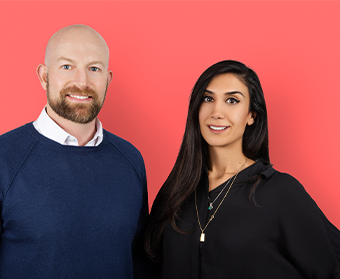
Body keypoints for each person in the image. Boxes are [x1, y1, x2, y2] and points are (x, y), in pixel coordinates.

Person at [0, 25, 150, 279]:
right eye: (67, 66)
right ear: (44, 76)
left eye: (94, 69)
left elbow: (140, 266)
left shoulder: (131, 160)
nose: (82, 81)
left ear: (107, 80)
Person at [145, 60, 340, 278]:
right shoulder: (175, 191)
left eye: (232, 100)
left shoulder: (280, 192)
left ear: (251, 116)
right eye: (208, 99)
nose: (216, 112)